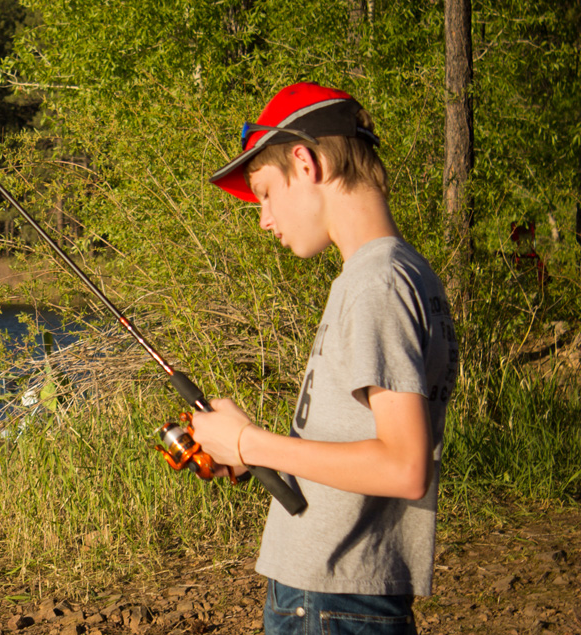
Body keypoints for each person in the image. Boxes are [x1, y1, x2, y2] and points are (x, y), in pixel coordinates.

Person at [191, 82, 459, 633]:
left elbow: (403, 466)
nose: (263, 219)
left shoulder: (375, 284)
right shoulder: (404, 273)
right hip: (341, 594)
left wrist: (248, 441)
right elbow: (358, 448)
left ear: (305, 161)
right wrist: (252, 454)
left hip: (330, 600)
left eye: (265, 193)